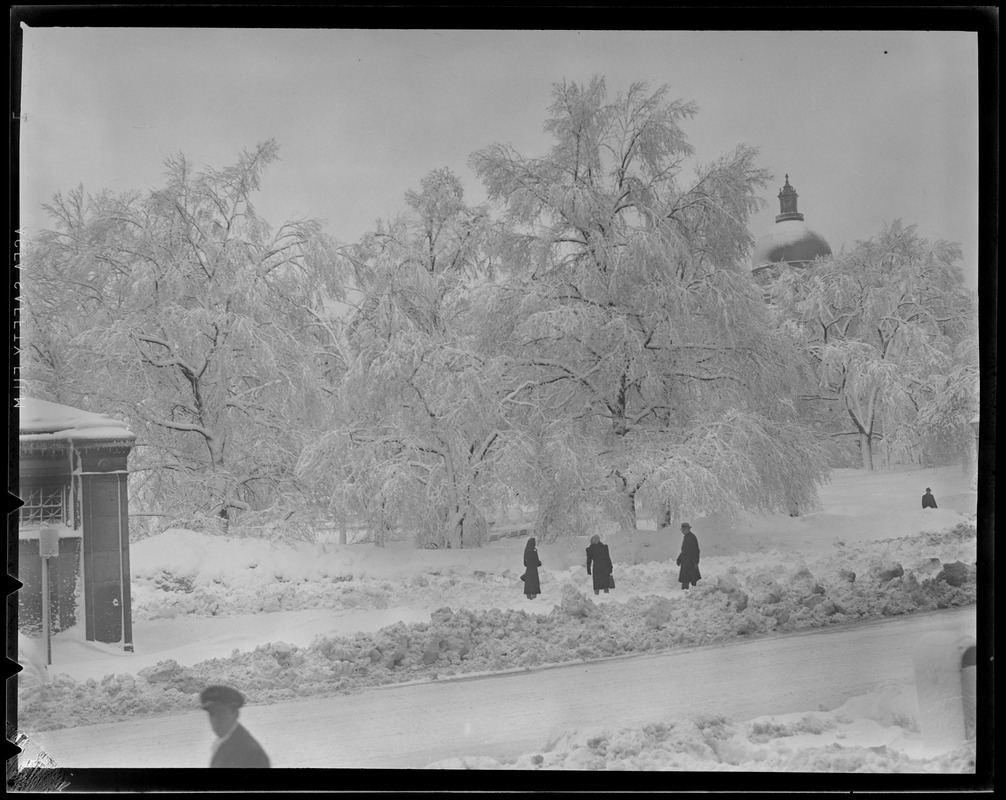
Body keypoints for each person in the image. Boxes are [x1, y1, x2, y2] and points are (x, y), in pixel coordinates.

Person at [200, 685, 271, 768]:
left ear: (235, 714)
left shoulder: (250, 753)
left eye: (221, 712)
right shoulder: (224, 742)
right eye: (212, 714)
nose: (216, 719)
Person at [675, 523, 701, 590]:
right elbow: (684, 551)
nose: (682, 531)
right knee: (686, 580)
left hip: (691, 563)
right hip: (686, 563)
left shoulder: (692, 537)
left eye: (683, 530)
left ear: (687, 529)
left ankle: (695, 594)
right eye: (682, 530)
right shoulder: (686, 537)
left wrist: (695, 562)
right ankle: (686, 595)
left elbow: (696, 551)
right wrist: (679, 559)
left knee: (693, 580)